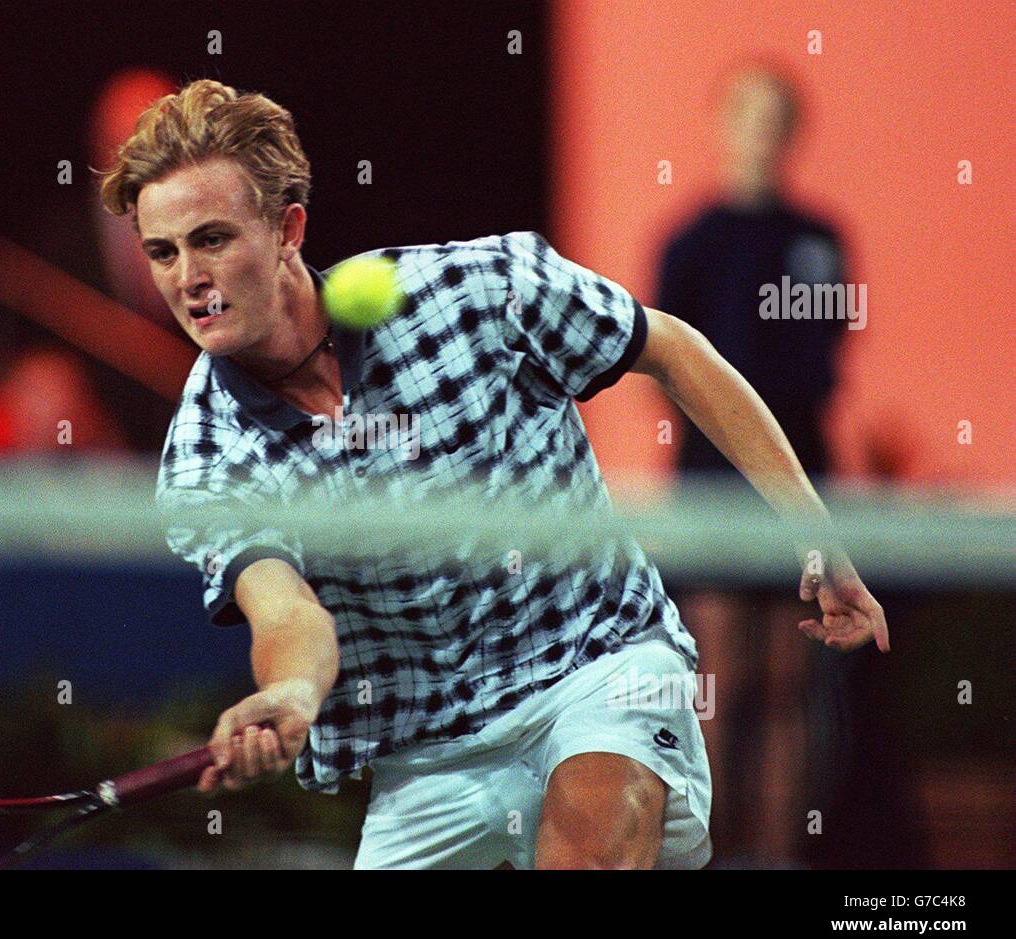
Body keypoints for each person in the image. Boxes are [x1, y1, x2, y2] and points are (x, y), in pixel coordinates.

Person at [100, 80, 888, 869]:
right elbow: (285, 610)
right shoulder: (205, 452)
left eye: (212, 239)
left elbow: (674, 349)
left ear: (287, 228)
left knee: (584, 847)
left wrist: (816, 536)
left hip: (595, 669)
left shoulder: (475, 293)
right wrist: (295, 694)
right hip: (425, 756)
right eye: (162, 252)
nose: (187, 279)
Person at [655, 64, 854, 864]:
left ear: (791, 132)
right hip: (709, 487)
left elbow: (823, 362)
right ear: (723, 124)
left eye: (775, 119)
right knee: (716, 681)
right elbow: (667, 373)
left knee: (783, 684)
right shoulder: (689, 243)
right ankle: (708, 851)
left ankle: (777, 855)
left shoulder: (819, 241)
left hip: (800, 494)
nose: (759, 134)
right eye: (747, 116)